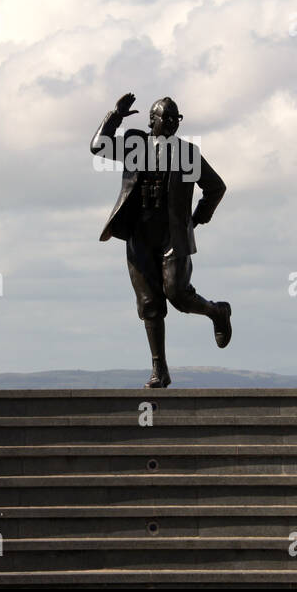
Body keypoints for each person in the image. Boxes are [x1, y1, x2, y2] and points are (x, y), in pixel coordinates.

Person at [91, 92, 232, 388]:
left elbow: (216, 187)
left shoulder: (187, 154)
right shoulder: (135, 147)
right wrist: (114, 116)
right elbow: (98, 147)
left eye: (175, 119)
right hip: (139, 234)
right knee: (149, 303)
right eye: (165, 118)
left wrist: (197, 219)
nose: (170, 123)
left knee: (178, 294)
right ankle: (160, 370)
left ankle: (217, 311)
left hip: (172, 235)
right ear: (151, 121)